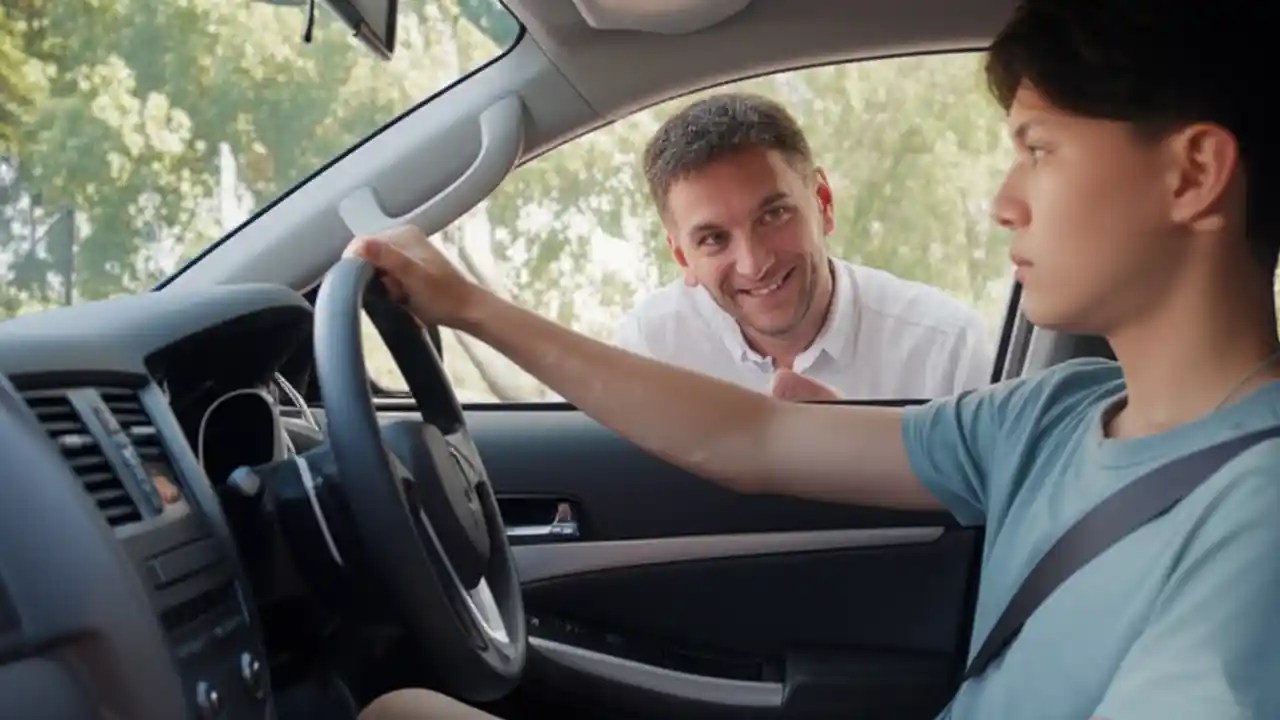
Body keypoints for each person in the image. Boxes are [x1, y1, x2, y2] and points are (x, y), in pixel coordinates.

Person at [354, 0, 1280, 717]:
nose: (1002, 201)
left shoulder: (1259, 522)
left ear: (1192, 175)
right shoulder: (1055, 412)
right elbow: (753, 437)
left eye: (1039, 150)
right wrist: (474, 310)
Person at [614, 92, 993, 402]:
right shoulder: (650, 349)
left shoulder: (947, 350)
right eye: (714, 239)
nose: (753, 264)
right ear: (682, 257)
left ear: (823, 203)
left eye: (773, 215)